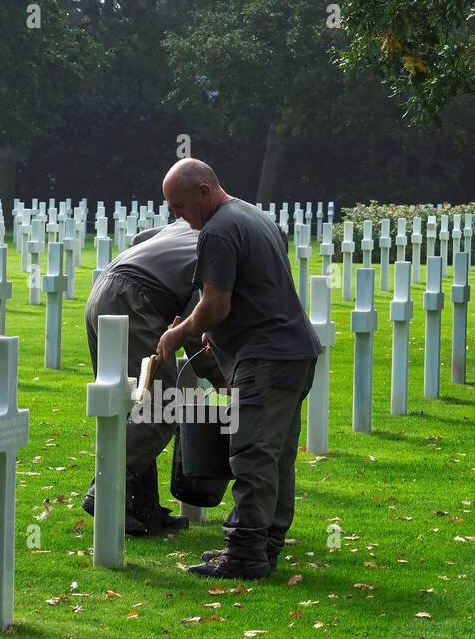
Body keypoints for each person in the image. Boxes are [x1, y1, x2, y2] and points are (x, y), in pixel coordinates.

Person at [155, 159, 321, 580]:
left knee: (251, 454)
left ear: (204, 191)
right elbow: (249, 290)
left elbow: (215, 305)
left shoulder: (217, 229)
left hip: (266, 356)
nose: (179, 216)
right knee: (277, 453)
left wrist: (178, 335)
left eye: (180, 205)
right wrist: (217, 331)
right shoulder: (252, 215)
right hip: (293, 353)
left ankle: (246, 553)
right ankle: (263, 544)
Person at [84, 218, 223, 535]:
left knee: (135, 410)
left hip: (104, 290)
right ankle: (103, 491)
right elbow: (193, 325)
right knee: (162, 405)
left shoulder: (194, 226)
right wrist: (218, 376)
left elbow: (141, 237)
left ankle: (144, 510)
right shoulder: (224, 250)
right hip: (135, 301)